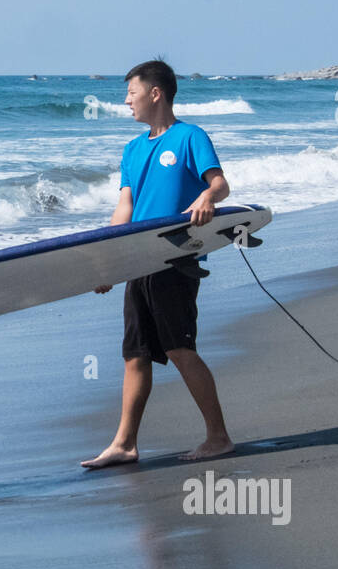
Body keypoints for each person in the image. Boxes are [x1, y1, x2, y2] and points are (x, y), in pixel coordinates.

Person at [82, 60, 234, 468]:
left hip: (176, 258)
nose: (126, 101)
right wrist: (109, 263)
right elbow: (124, 209)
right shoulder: (132, 149)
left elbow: (219, 183)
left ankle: (218, 437)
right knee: (136, 354)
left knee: (180, 348)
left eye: (131, 93)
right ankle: (125, 444)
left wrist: (206, 198)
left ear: (155, 93)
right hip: (137, 261)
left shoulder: (190, 137)